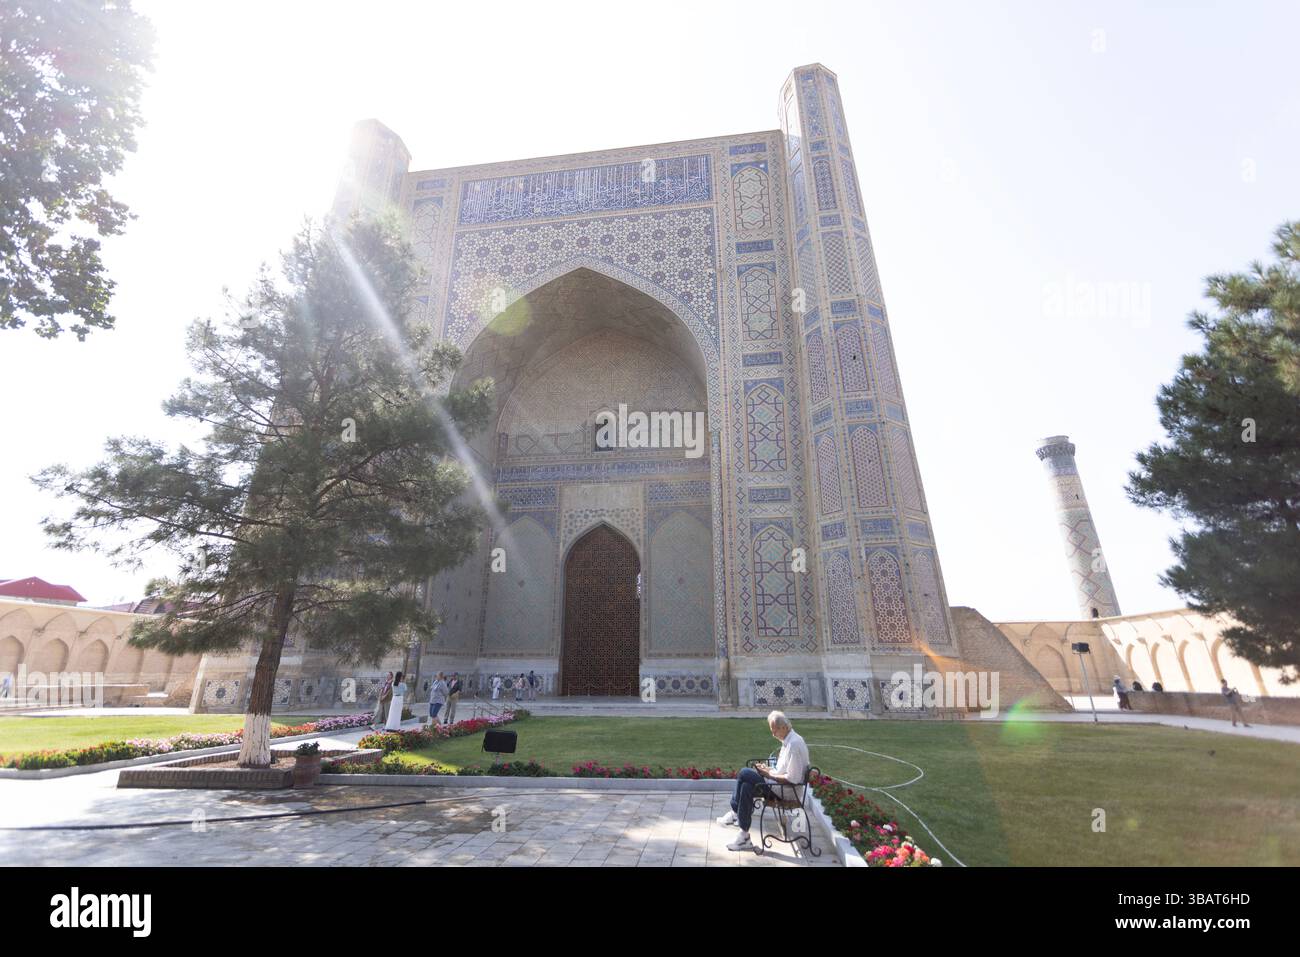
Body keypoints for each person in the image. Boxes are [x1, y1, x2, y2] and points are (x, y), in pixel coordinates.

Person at [716, 711, 809, 852]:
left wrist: (768, 775)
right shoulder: (789, 740)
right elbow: (782, 769)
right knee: (746, 786)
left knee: (744, 772)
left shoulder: (794, 745)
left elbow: (792, 779)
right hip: (776, 786)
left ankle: (735, 812)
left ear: (783, 727)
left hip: (785, 792)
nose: (773, 735)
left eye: (774, 731)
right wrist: (769, 769)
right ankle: (744, 836)